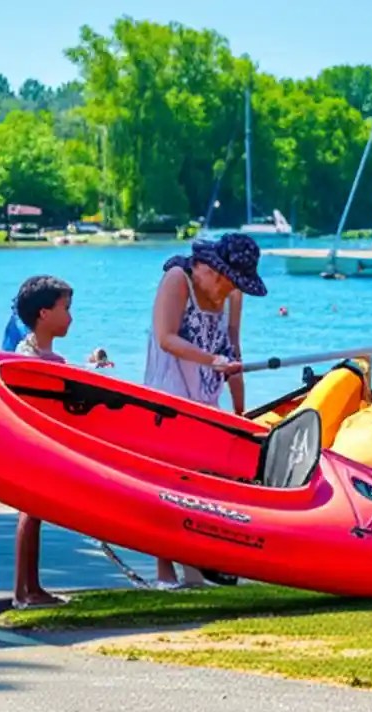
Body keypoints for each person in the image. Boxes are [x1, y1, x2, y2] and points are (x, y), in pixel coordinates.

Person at [145, 233, 266, 589]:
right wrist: (212, 360)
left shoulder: (233, 294)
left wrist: (240, 410)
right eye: (227, 281)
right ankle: (169, 572)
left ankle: (203, 563)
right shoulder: (178, 280)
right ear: (209, 269)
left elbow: (233, 346)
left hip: (206, 395)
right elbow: (166, 337)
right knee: (170, 479)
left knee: (204, 480)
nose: (229, 290)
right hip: (170, 389)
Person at [11, 275, 73, 608]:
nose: (70, 316)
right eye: (65, 308)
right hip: (30, 445)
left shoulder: (52, 358)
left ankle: (32, 585)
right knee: (29, 512)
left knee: (36, 513)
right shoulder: (27, 356)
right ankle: (24, 590)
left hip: (44, 445)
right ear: (44, 313)